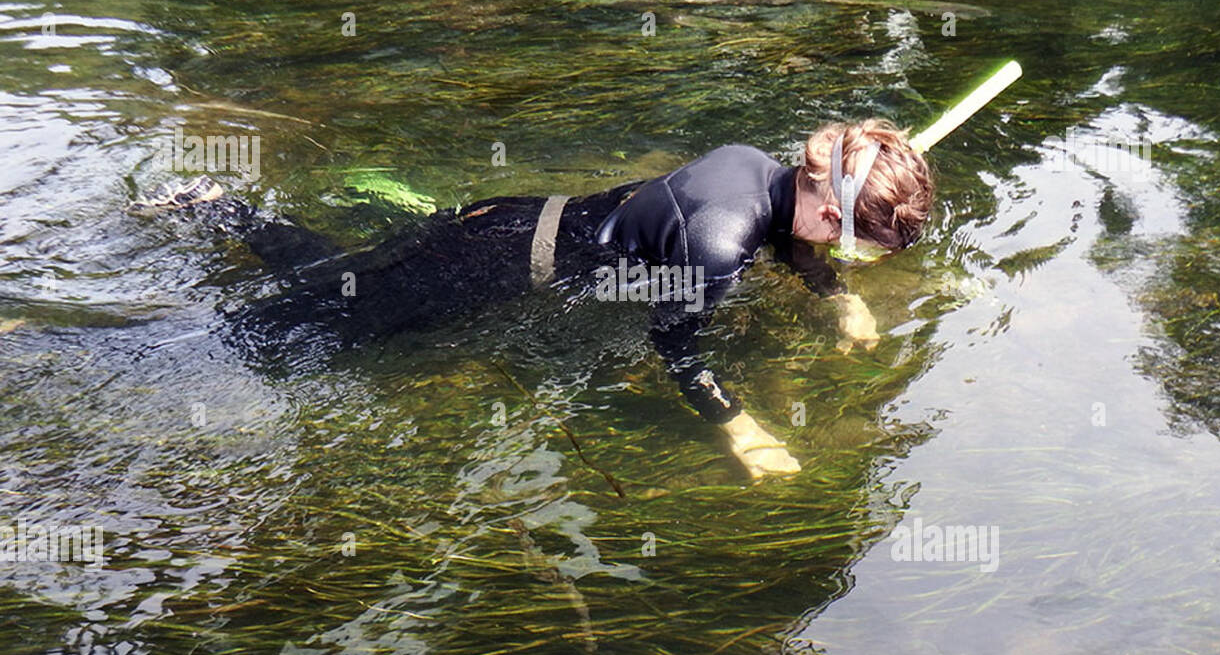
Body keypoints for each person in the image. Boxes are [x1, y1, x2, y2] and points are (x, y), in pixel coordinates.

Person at [133, 118, 932, 479]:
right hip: (498, 262)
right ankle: (215, 215)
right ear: (831, 210)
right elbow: (676, 347)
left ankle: (232, 211)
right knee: (332, 311)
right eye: (852, 245)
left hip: (524, 214)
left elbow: (789, 234)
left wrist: (830, 291)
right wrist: (740, 426)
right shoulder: (720, 248)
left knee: (362, 270)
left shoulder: (756, 164)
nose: (843, 255)